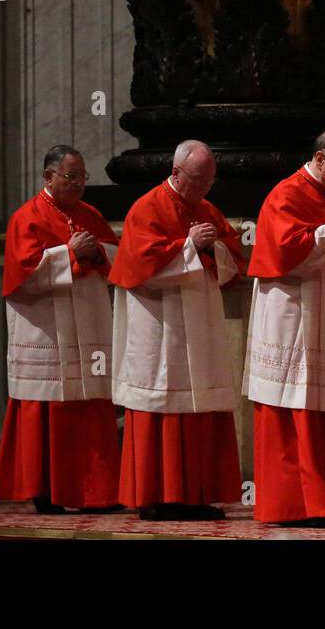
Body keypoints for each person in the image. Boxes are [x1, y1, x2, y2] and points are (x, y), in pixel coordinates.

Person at [109, 140, 246, 521]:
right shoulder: (147, 208)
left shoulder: (206, 209)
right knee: (163, 406)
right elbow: (140, 267)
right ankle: (157, 496)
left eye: (209, 181)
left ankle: (197, 494)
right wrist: (189, 245)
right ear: (175, 173)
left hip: (199, 322)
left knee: (200, 403)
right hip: (159, 323)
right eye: (197, 179)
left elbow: (234, 256)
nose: (204, 189)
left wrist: (211, 247)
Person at [244, 128, 325, 527]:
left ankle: (324, 499)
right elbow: (285, 252)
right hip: (290, 317)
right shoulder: (285, 194)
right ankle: (294, 505)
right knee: (291, 410)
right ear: (320, 158)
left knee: (320, 408)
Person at [0, 145, 121, 514]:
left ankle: (96, 493)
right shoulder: (26, 218)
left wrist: (96, 253)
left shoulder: (90, 214)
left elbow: (116, 257)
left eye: (83, 176)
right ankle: (47, 492)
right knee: (50, 410)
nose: (80, 183)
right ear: (48, 177)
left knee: (92, 407)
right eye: (71, 176)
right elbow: (22, 277)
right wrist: (67, 253)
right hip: (46, 329)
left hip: (88, 321)